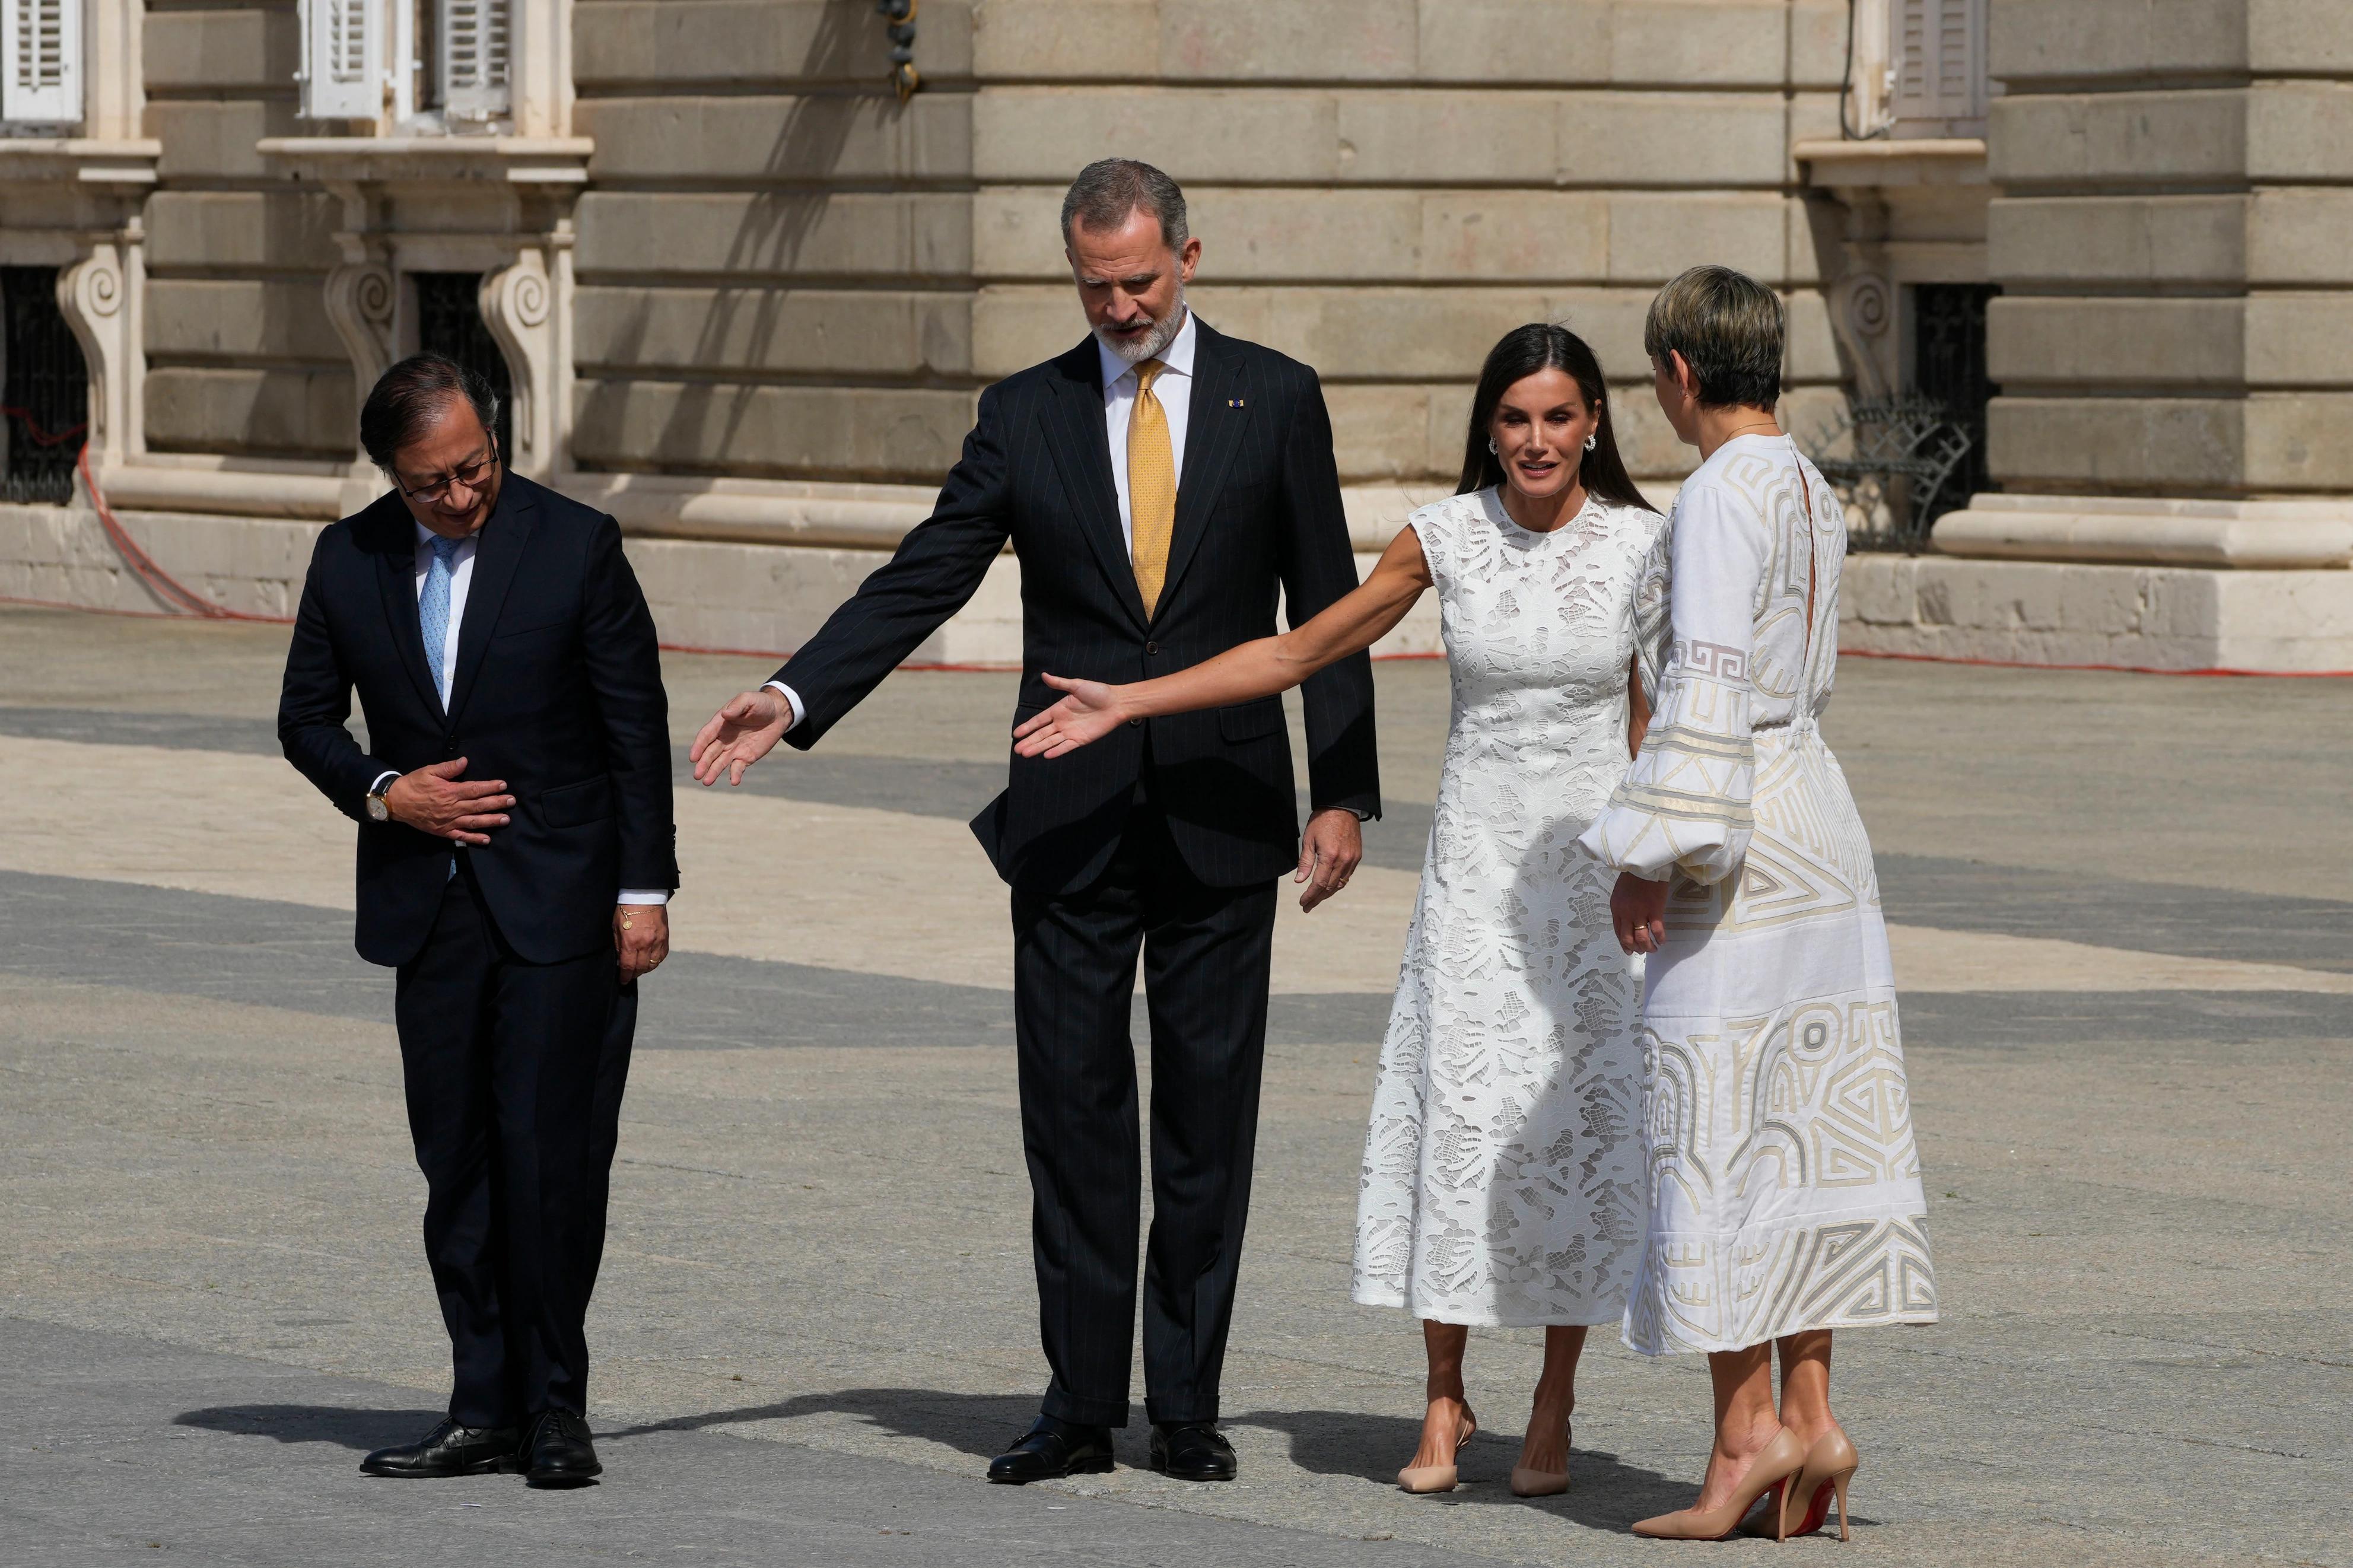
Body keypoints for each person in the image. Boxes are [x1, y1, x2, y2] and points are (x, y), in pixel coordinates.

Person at [686, 158, 1381, 1486]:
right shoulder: (1027, 411)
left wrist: (1340, 788)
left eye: (1138, 279)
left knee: (1205, 1116)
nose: (1118, 304)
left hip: (1227, 811)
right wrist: (795, 691)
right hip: (1067, 816)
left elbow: (1327, 607)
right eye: (1094, 284)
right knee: (1069, 1112)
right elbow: (928, 571)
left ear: (1190, 255)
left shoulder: (1275, 396)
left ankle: (1184, 1401)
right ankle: (1077, 1400)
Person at [1013, 323, 1663, 1499]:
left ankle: (1556, 1393)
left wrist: (1659, 863)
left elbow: (1653, 723)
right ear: (1489, 426)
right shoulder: (1444, 536)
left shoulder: (1644, 547)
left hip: (1591, 874)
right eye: (1514, 418)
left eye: (1558, 417)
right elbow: (1296, 649)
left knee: (1575, 1123)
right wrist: (1134, 699)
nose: (1535, 440)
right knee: (1458, 1109)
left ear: (1596, 424)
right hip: (1476, 870)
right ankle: (1443, 1394)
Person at [1579, 266, 1939, 1542]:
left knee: (1718, 1122)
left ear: (1677, 373)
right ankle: (1811, 1410)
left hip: (1735, 831)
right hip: (1815, 814)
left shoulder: (1723, 489)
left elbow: (1709, 683)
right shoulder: (1804, 480)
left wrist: (1651, 849)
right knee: (1794, 1119)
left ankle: (1745, 1438)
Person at [277, 353, 678, 1488]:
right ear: (389, 477)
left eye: (475, 469)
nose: (460, 497)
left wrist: (642, 892)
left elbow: (632, 730)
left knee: (549, 1161)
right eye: (432, 483)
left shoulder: (575, 544)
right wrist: (383, 790)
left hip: (562, 907)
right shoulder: (346, 560)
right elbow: (304, 720)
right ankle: (478, 1403)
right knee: (455, 1167)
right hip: (429, 914)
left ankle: (556, 1409)